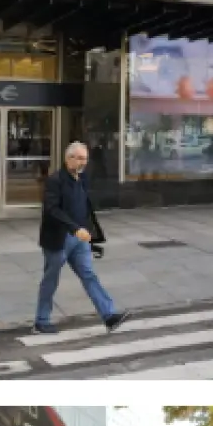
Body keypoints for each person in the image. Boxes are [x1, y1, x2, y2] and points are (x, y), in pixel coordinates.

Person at [37, 142, 129, 336]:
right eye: (78, 158)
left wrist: (89, 234)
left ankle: (109, 315)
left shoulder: (82, 179)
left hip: (80, 239)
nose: (82, 162)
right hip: (59, 238)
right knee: (51, 279)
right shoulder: (55, 180)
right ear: (67, 158)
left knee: (89, 275)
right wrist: (74, 228)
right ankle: (41, 320)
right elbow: (52, 210)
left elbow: (84, 207)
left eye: (85, 158)